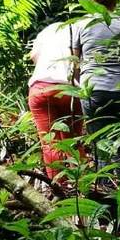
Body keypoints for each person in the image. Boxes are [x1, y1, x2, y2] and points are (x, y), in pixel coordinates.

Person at [73, 0, 120, 155]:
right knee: (119, 140)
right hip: (119, 89)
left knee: (99, 142)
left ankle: (104, 182)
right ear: (117, 0)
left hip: (92, 87)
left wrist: (78, 84)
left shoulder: (81, 24)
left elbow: (75, 62)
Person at [27, 16, 81, 185]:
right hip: (68, 89)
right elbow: (79, 63)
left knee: (50, 143)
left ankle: (59, 189)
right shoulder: (78, 29)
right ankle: (80, 188)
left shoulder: (46, 31)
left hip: (40, 89)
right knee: (73, 141)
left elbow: (33, 56)